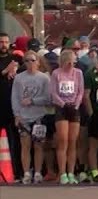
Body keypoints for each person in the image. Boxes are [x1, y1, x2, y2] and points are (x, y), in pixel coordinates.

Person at [11, 51, 51, 183]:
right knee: (25, 145)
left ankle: (38, 172)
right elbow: (15, 97)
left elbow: (48, 98)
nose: (30, 63)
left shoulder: (44, 78)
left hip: (39, 115)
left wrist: (33, 100)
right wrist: (17, 114)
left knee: (39, 145)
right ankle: (27, 172)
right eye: (27, 61)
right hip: (24, 117)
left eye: (32, 60)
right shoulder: (19, 78)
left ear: (38, 62)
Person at [48, 50, 85, 184]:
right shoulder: (56, 73)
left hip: (74, 107)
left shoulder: (78, 73)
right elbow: (53, 92)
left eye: (72, 62)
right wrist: (63, 104)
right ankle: (62, 173)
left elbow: (80, 91)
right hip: (61, 108)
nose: (70, 65)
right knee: (63, 140)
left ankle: (71, 172)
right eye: (68, 62)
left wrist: (76, 104)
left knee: (73, 141)